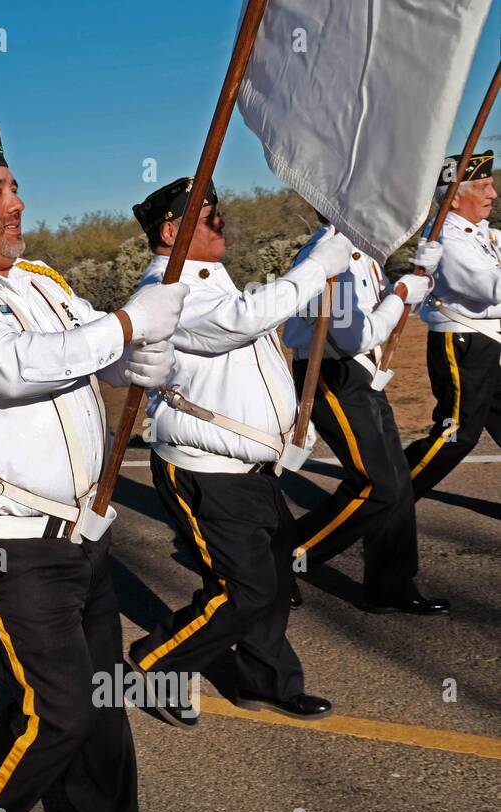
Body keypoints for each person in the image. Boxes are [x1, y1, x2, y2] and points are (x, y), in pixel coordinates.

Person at [0, 119, 198, 812]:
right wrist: (131, 322)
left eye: (15, 186)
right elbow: (16, 368)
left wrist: (138, 360)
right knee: (59, 708)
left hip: (83, 528)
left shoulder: (39, 283)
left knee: (100, 704)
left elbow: (90, 354)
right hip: (9, 541)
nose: (16, 203)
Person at [126, 177, 349, 726]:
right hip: (206, 473)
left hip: (252, 470)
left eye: (217, 210)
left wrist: (287, 429)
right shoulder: (164, 291)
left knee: (272, 585)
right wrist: (312, 269)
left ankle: (265, 681)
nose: (220, 220)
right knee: (243, 590)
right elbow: (236, 326)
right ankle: (155, 666)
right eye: (207, 215)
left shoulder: (216, 284)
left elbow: (257, 343)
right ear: (172, 231)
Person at [282, 216, 448, 614]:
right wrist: (403, 293)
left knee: (397, 485)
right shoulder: (326, 255)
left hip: (361, 373)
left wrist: (416, 278)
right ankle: (281, 560)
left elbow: (378, 310)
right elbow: (353, 334)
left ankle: (389, 585)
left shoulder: (361, 253)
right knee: (378, 486)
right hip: (330, 373)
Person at [404, 151, 501, 497]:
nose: (493, 194)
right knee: (455, 434)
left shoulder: (480, 232)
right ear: (456, 197)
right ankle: (387, 496)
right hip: (463, 342)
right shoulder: (446, 236)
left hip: (489, 342)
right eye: (485, 187)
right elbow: (489, 287)